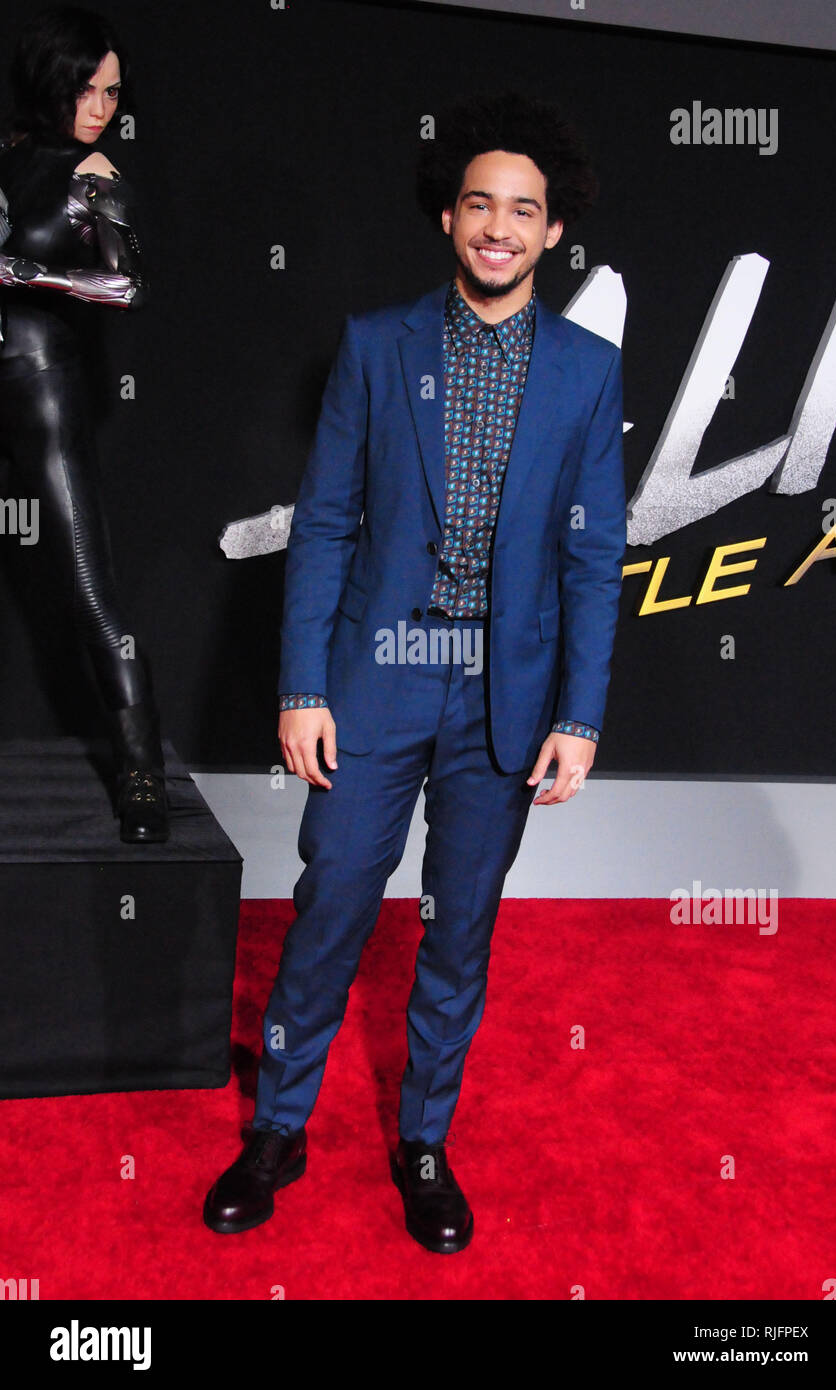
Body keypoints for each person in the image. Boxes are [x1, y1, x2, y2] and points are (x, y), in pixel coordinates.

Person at [204, 92, 627, 1252]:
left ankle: (425, 1140)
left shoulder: (589, 373)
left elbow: (595, 558)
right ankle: (278, 1128)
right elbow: (325, 525)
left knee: (459, 930)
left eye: (524, 210)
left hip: (505, 693)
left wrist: (580, 716)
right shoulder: (376, 347)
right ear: (450, 216)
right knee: (331, 902)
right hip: (379, 675)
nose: (500, 225)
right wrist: (303, 688)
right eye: (480, 202)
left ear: (552, 232)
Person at [0, 5, 168, 842]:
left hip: (41, 382)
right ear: (52, 83)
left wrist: (22, 269)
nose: (102, 106)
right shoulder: (7, 161)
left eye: (112, 91)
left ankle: (141, 768)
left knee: (87, 585)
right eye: (88, 88)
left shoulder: (94, 171)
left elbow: (126, 286)